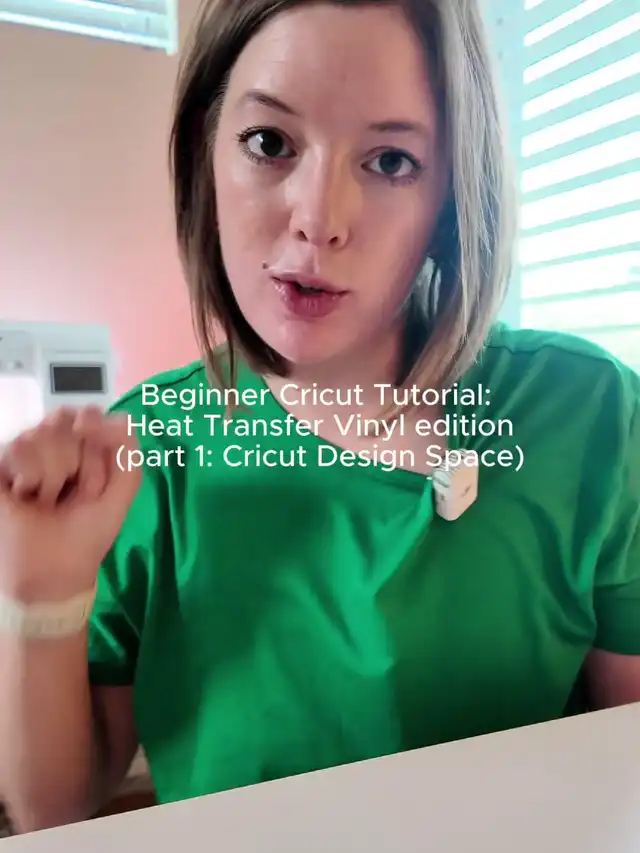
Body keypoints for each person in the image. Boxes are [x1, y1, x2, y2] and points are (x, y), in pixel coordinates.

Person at [1, 0, 639, 835]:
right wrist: (41, 597)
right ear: (204, 154)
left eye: (391, 160)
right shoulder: (138, 455)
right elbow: (57, 808)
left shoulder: (587, 413)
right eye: (270, 142)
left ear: (452, 195)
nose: (319, 219)